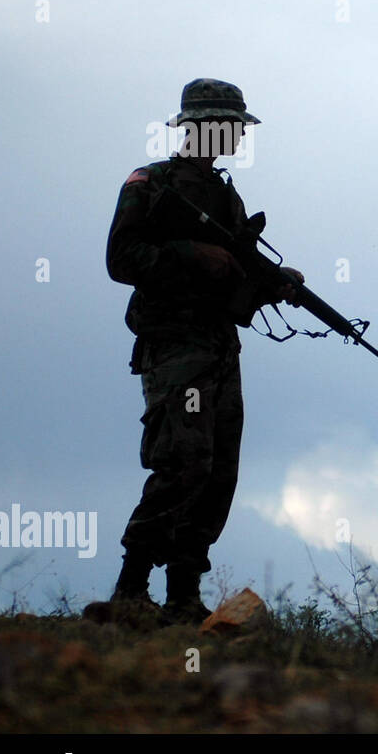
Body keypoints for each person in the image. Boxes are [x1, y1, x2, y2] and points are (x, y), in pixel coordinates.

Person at [104, 78, 304, 624]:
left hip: (220, 346)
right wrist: (191, 253)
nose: (238, 135)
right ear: (200, 126)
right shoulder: (151, 184)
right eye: (231, 125)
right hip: (175, 346)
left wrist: (274, 283)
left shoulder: (225, 196)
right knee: (182, 463)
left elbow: (236, 274)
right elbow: (121, 258)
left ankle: (183, 597)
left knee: (218, 473)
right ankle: (130, 588)